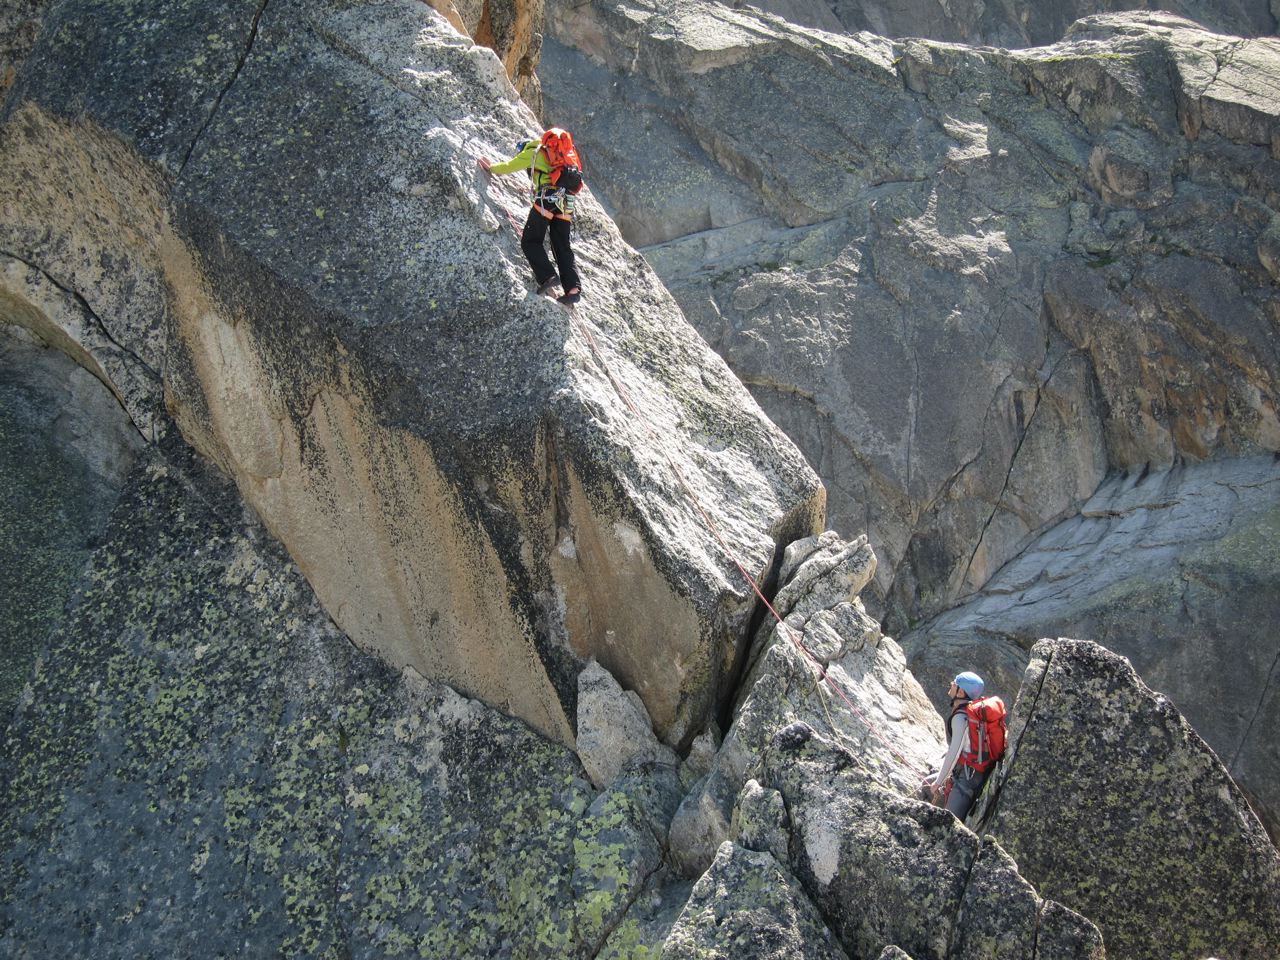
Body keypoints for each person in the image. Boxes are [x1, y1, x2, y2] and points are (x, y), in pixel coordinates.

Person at [479, 138, 582, 305]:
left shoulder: (533, 151)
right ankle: (573, 290)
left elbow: (508, 166)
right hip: (567, 202)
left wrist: (490, 167)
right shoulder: (558, 156)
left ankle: (548, 277)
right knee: (561, 245)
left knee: (530, 241)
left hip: (548, 198)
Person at [921, 671, 1000, 820]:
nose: (951, 683)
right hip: (967, 771)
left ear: (961, 692)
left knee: (950, 821)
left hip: (968, 779)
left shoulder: (961, 717)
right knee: (926, 785)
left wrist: (939, 782)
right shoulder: (973, 713)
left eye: (955, 683)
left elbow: (954, 752)